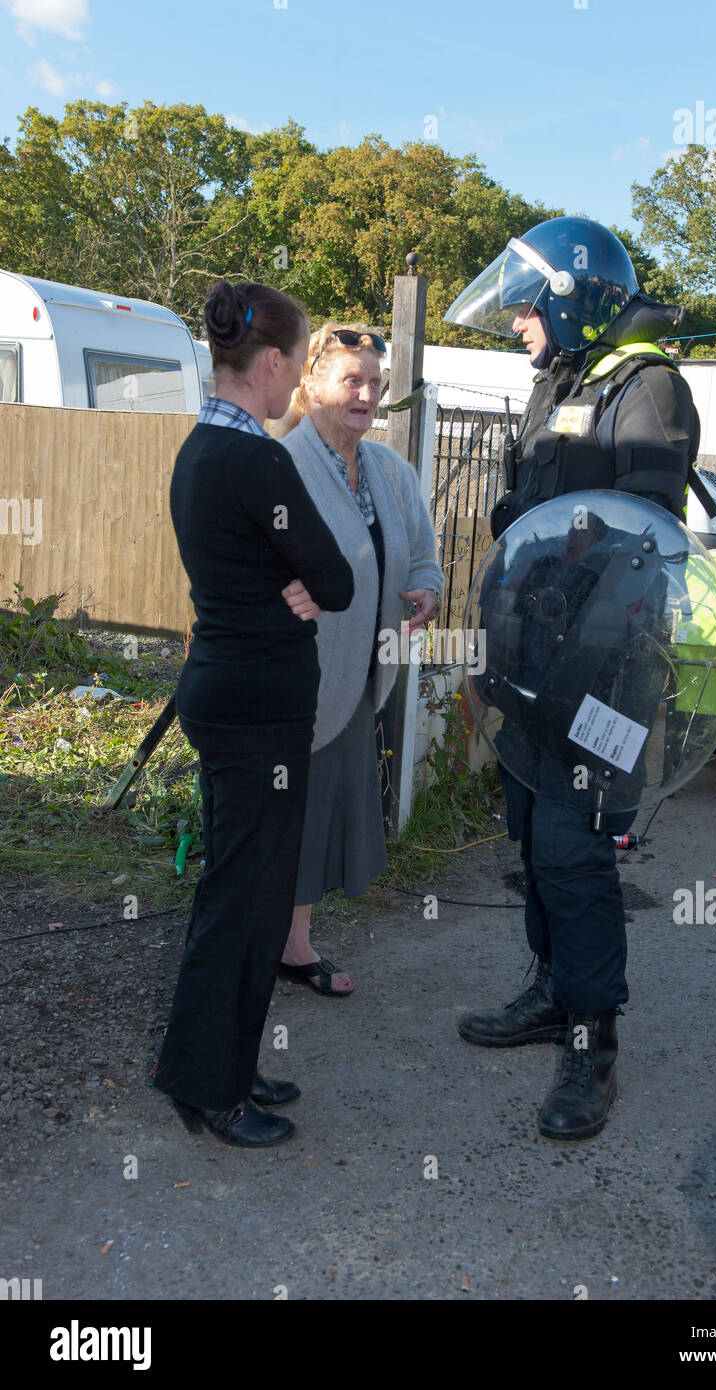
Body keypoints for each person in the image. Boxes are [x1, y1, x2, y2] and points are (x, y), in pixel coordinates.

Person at [444, 217, 701, 1140]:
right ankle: (553, 995)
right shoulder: (564, 385)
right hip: (532, 662)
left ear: (572, 294)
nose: (516, 322)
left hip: (604, 676)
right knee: (530, 835)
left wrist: (572, 671)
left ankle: (592, 1047)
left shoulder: (648, 390)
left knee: (576, 852)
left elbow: (642, 543)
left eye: (526, 306)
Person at [153, 282, 354, 1147]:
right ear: (270, 364)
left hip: (226, 697)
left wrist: (295, 580)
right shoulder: (260, 461)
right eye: (299, 364)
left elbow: (307, 576)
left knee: (240, 892)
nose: (296, 383)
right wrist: (301, 582)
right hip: (258, 712)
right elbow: (338, 582)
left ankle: (219, 1065)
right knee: (248, 901)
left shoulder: (199, 450)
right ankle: (211, 1089)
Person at [270, 325, 443, 995]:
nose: (367, 394)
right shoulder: (283, 465)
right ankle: (257, 948)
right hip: (296, 680)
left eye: (376, 383)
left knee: (321, 815)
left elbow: (424, 556)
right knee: (283, 818)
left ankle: (295, 945)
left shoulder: (392, 473)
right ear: (312, 384)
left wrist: (426, 591)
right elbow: (253, 564)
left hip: (364, 677)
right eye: (353, 380)